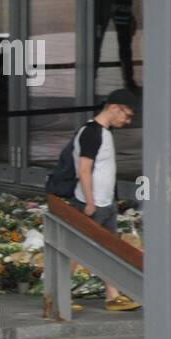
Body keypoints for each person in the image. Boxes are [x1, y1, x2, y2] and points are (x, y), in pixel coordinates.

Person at [71, 87, 139, 311]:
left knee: (110, 249)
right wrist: (90, 202)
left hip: (105, 202)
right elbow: (84, 169)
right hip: (94, 203)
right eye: (126, 115)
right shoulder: (92, 132)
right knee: (76, 251)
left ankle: (113, 295)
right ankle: (57, 294)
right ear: (113, 108)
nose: (127, 121)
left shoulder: (104, 132)